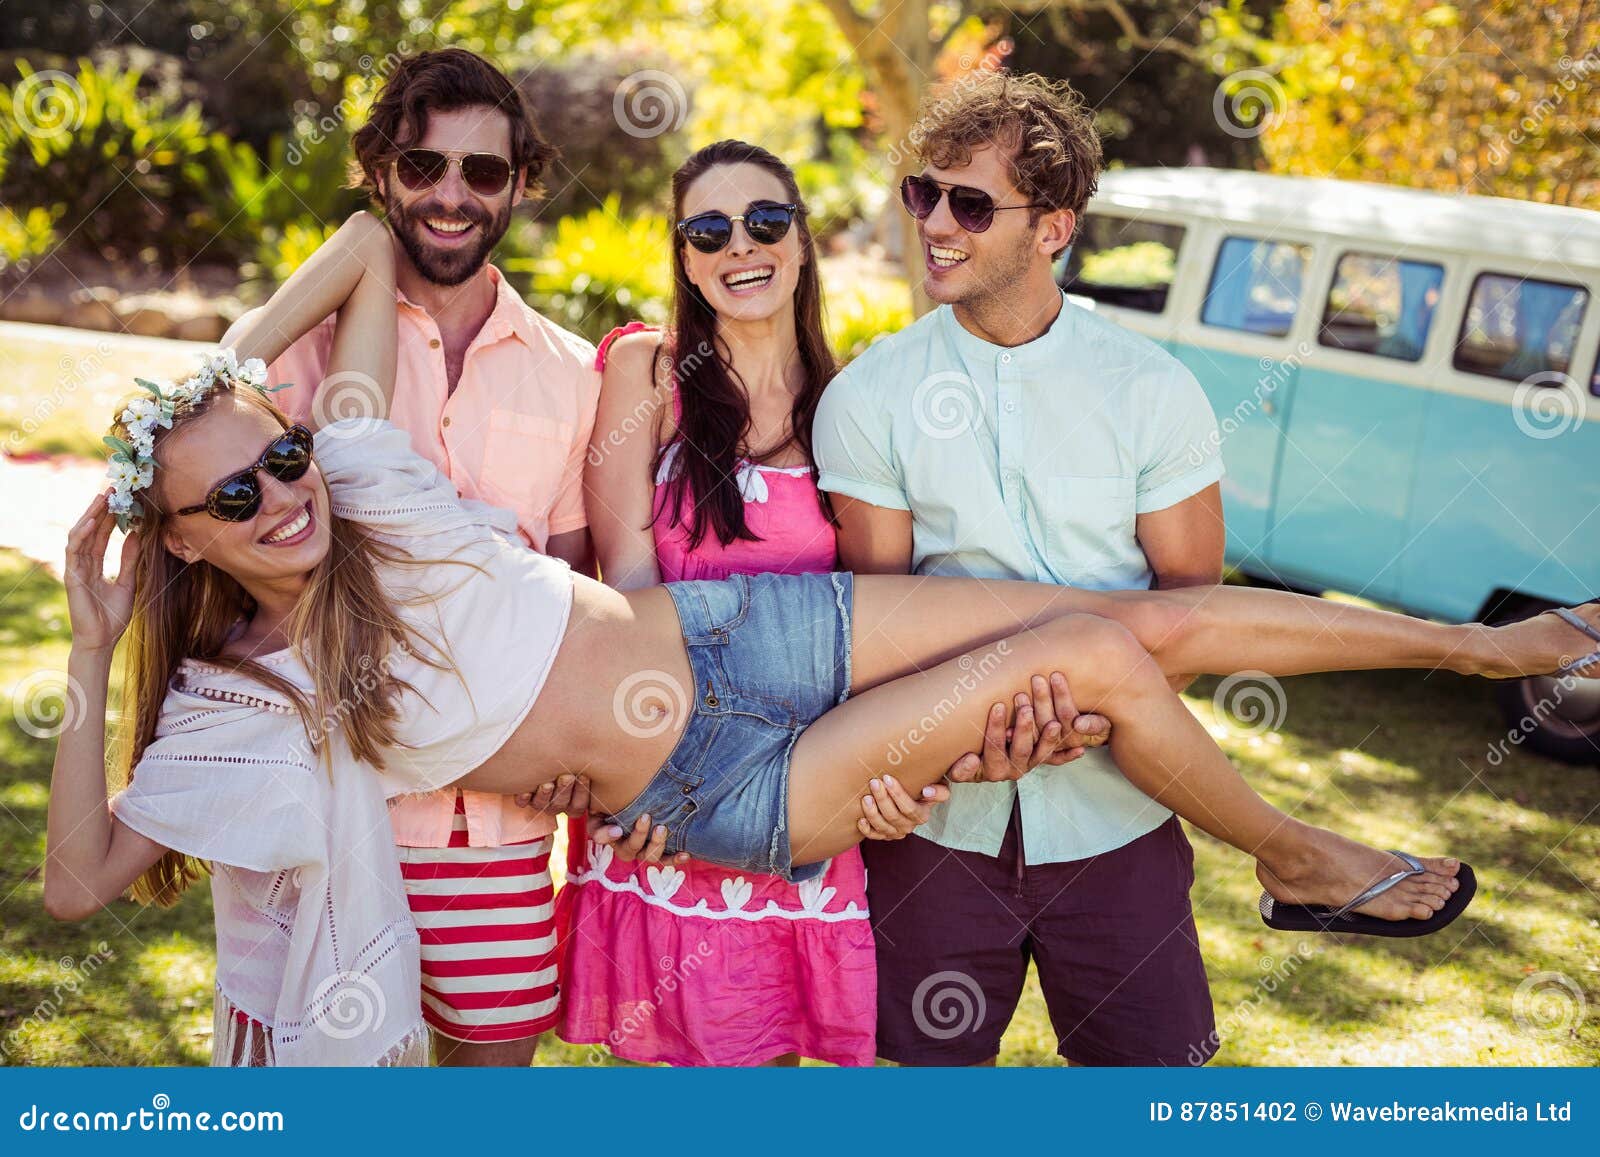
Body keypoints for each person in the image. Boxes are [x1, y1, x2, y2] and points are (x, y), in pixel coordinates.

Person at [45, 211, 1600, 1068]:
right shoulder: (254, 690)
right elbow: (76, 889)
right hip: (719, 780)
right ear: (179, 538)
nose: (279, 495)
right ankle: (1299, 855)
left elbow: (373, 247)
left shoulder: (364, 472)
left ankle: (1494, 656)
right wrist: (96, 637)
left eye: (279, 456)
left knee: (1142, 615)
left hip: (740, 624)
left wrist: (198, 398)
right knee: (1113, 669)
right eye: (228, 496)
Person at [812, 69, 1228, 1066]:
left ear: (1052, 227)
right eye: (924, 193)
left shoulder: (1153, 390)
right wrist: (961, 741)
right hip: (935, 828)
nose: (934, 224)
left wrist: (1086, 719)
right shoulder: (868, 397)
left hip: (1120, 814)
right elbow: (881, 623)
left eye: (968, 202)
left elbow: (1195, 610)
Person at [558, 141, 1005, 1068]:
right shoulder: (646, 374)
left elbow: (878, 617)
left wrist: (884, 772)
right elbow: (626, 593)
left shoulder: (851, 401)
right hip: (666, 777)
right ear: (682, 255)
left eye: (766, 221)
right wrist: (661, 780)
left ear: (801, 242)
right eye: (708, 230)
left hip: (805, 789)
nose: (740, 247)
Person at [228, 48, 598, 1067]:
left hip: (501, 835)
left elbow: (578, 600)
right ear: (379, 172)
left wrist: (583, 753)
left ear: (522, 182)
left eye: (482, 172)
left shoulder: (574, 376)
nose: (450, 195)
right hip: (337, 819)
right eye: (422, 166)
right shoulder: (299, 358)